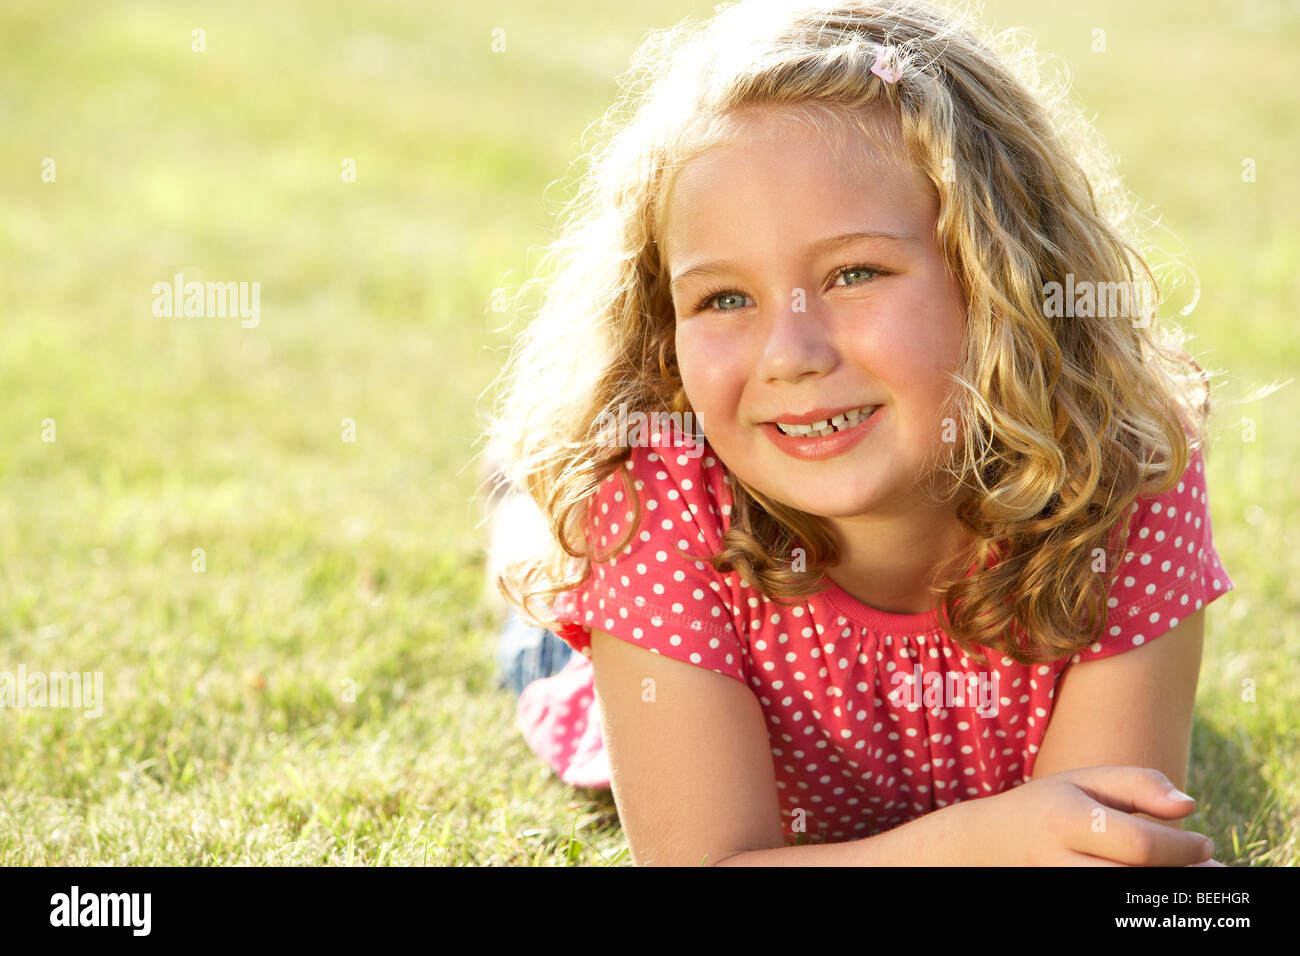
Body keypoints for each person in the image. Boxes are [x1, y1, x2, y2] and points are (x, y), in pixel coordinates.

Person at [480, 0, 1235, 864]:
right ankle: (517, 502)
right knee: (538, 597)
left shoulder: (1122, 466)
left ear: (1003, 278)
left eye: (853, 273)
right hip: (630, 636)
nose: (790, 354)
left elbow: (1101, 851)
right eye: (724, 298)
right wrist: (977, 845)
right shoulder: (657, 493)